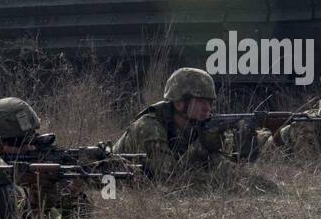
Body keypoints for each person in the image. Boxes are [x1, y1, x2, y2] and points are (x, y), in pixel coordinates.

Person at [112, 68, 274, 190]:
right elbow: (170, 180)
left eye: (210, 102)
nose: (208, 108)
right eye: (201, 101)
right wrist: (202, 147)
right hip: (116, 187)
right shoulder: (148, 127)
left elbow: (218, 163)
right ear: (180, 102)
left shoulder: (196, 122)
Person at [0, 96, 90, 219]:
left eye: (32, 138)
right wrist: (35, 204)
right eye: (18, 141)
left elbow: (81, 217)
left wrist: (71, 195)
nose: (30, 146)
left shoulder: (42, 168)